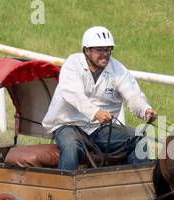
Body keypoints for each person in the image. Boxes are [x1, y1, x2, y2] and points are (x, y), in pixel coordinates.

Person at [41, 26, 158, 171]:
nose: (105, 54)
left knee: (140, 139)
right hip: (67, 124)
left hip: (99, 129)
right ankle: (65, 191)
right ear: (86, 51)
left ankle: (139, 187)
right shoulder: (72, 64)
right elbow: (75, 95)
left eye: (108, 49)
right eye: (99, 50)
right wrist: (95, 112)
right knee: (70, 147)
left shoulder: (118, 70)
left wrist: (145, 110)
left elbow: (133, 95)